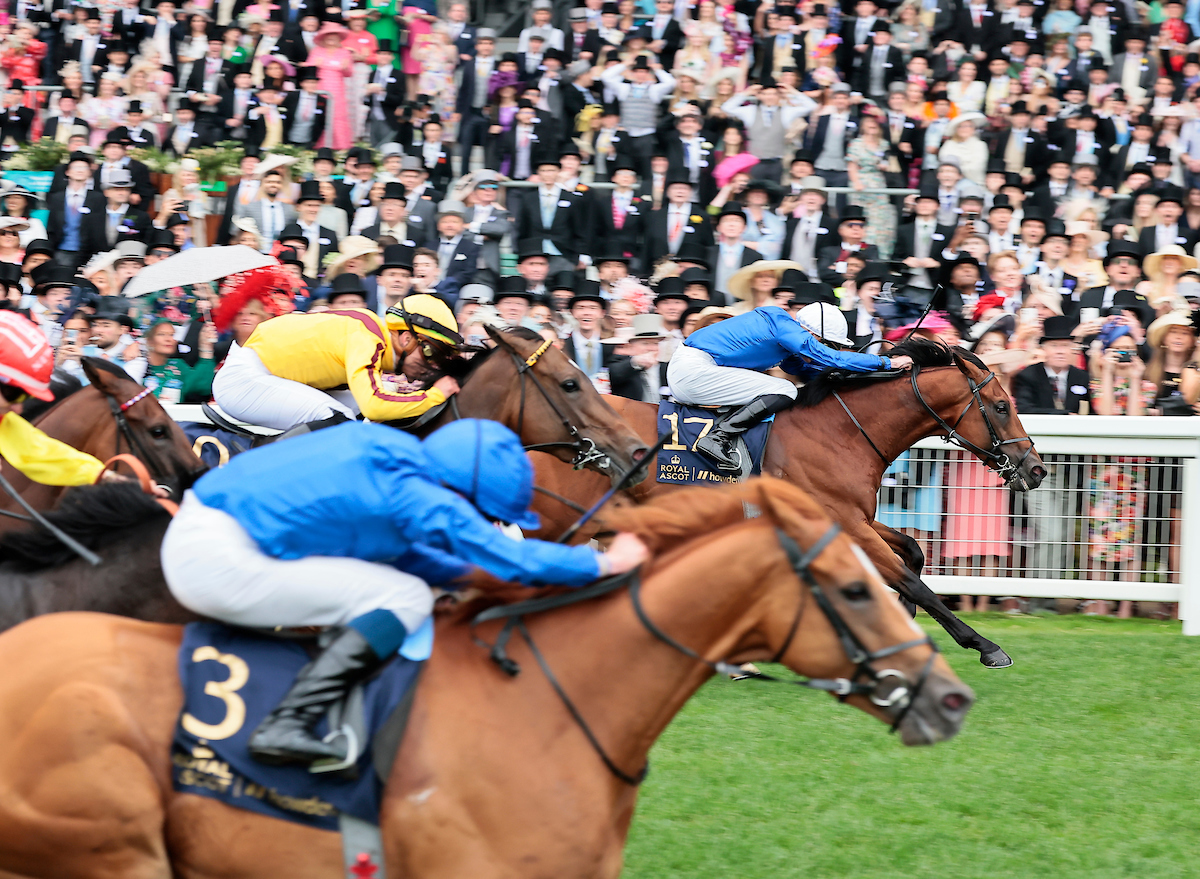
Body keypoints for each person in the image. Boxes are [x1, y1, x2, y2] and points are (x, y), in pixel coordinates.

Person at [160, 418, 651, 766]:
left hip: (203, 533)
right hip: (218, 560)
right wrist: (604, 561)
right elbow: (506, 557)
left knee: (400, 588)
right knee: (405, 600)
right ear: (463, 493)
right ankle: (287, 724)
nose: (489, 525)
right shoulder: (418, 495)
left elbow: (402, 556)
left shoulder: (391, 456)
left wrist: (465, 578)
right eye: (491, 515)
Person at [666, 304, 913, 470]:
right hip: (693, 370)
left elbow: (805, 370)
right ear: (812, 334)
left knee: (784, 386)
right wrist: (886, 362)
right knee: (785, 390)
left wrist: (855, 379)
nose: (829, 349)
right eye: (827, 343)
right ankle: (718, 438)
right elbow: (831, 359)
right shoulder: (784, 327)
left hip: (695, 369)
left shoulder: (783, 336)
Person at [212, 291, 463, 431]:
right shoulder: (368, 338)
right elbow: (374, 405)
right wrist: (435, 396)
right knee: (336, 419)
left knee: (362, 408)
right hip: (245, 380)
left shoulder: (373, 332)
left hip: (265, 373)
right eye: (431, 353)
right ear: (406, 338)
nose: (433, 366)